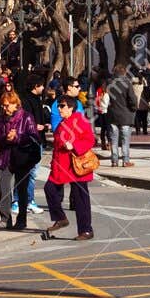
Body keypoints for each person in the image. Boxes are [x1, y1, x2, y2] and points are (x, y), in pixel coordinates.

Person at [41, 96, 96, 241]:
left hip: (77, 165)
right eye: (58, 106)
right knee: (49, 188)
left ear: (71, 108)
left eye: (62, 106)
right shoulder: (61, 124)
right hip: (61, 166)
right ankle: (61, 218)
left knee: (81, 199)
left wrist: (75, 145)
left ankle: (86, 230)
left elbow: (90, 140)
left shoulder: (80, 121)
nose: (59, 109)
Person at [0, 89, 41, 229]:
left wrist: (17, 137)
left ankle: (21, 219)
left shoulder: (26, 117)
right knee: (4, 189)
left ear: (15, 104)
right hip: (5, 157)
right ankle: (5, 218)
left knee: (21, 189)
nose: (5, 108)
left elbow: (34, 137)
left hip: (22, 158)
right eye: (3, 106)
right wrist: (5, 138)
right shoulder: (1, 118)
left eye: (7, 105)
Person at [106, 65, 137, 166]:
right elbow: (132, 99)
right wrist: (133, 108)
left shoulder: (109, 83)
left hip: (112, 114)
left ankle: (114, 160)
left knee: (113, 140)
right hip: (125, 115)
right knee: (125, 140)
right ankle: (125, 160)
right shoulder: (127, 84)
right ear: (124, 73)